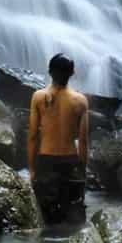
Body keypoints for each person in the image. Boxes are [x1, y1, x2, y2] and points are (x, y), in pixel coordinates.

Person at [27, 53, 89, 225]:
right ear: (72, 73)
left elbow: (32, 136)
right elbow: (83, 141)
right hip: (70, 162)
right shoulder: (81, 101)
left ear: (49, 72)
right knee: (73, 220)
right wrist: (82, 169)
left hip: (45, 162)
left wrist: (32, 169)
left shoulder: (38, 97)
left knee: (48, 218)